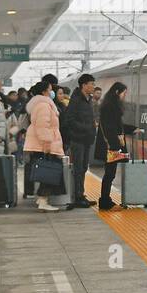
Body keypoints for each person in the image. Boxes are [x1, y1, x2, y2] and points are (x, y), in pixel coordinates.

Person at [23, 77, 67, 212]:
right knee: (49, 172)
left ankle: (42, 199)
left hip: (42, 143)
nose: (52, 91)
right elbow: (42, 126)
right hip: (45, 144)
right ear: (44, 92)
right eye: (50, 89)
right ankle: (43, 200)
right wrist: (47, 144)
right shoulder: (43, 105)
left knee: (46, 171)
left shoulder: (42, 104)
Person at [98, 82, 140, 211]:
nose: (124, 96)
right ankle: (105, 202)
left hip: (112, 144)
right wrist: (115, 147)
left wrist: (132, 129)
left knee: (110, 174)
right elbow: (110, 128)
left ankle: (106, 201)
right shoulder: (111, 107)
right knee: (109, 174)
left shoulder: (110, 106)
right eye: (124, 93)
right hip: (111, 146)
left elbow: (118, 126)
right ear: (117, 92)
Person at [61, 74, 97, 208]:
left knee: (83, 168)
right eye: (91, 84)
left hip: (86, 139)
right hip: (78, 139)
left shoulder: (88, 99)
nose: (93, 86)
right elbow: (69, 120)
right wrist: (86, 128)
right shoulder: (76, 100)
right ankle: (77, 197)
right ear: (84, 85)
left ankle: (81, 195)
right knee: (78, 168)